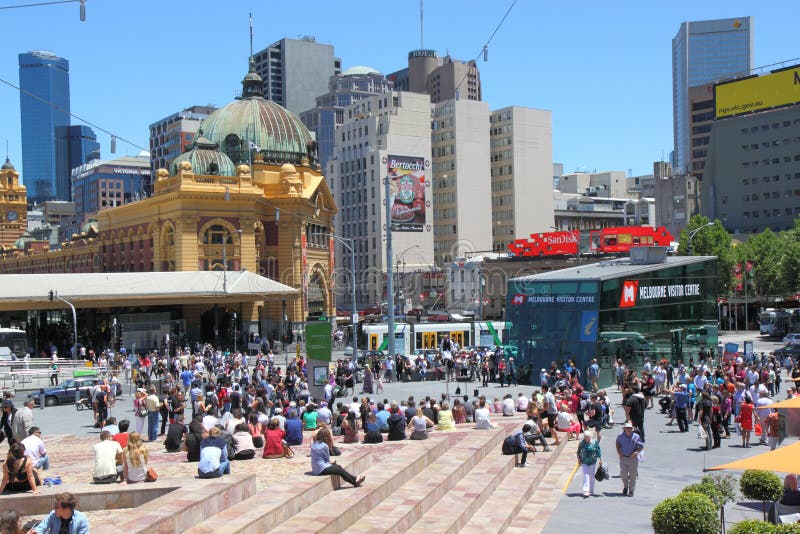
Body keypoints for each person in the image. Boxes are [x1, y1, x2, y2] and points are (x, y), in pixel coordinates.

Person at [616, 421, 644, 497]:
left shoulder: (636, 436)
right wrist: (619, 452)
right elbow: (618, 443)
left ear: (632, 429)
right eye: (627, 428)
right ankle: (625, 486)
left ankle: (631, 491)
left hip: (633, 459)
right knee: (623, 474)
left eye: (630, 428)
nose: (628, 429)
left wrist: (636, 452)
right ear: (624, 429)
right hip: (623, 457)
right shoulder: (620, 436)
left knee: (633, 476)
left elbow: (641, 446)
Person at [577, 429, 602, 497]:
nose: (586, 439)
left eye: (587, 437)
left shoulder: (594, 442)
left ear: (590, 437)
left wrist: (600, 459)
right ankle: (586, 490)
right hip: (584, 461)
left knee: (591, 476)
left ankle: (591, 490)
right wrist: (579, 460)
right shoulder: (581, 443)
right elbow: (578, 452)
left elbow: (598, 450)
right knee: (586, 475)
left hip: (592, 461)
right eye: (585, 437)